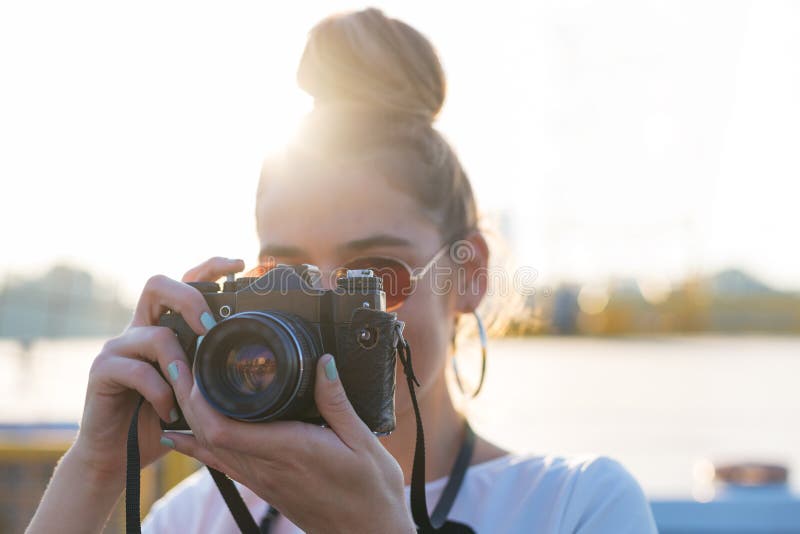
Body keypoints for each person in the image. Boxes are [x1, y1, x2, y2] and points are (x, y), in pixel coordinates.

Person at [28, 8, 657, 534]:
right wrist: (97, 467)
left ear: (468, 275)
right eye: (288, 274)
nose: (327, 309)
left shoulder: (575, 506)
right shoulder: (199, 516)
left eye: (376, 276)